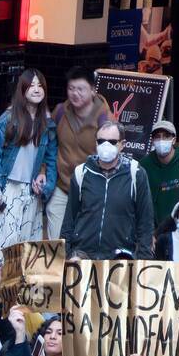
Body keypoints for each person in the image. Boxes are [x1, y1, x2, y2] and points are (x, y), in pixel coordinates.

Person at [0, 69, 57, 272]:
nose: (37, 90)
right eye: (32, 85)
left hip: (30, 189)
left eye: (41, 86)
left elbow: (51, 159)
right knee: (1, 237)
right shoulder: (7, 119)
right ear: (22, 89)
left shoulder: (47, 124)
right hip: (7, 186)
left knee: (25, 237)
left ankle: (17, 282)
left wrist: (46, 181)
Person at [62, 119, 154, 259]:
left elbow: (145, 222)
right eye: (100, 141)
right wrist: (65, 255)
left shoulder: (136, 173)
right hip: (83, 255)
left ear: (122, 145)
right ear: (95, 143)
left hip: (120, 259)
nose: (105, 145)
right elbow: (69, 219)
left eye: (111, 142)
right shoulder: (81, 172)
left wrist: (143, 262)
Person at [48, 66, 113, 238]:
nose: (75, 93)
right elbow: (47, 144)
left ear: (92, 91)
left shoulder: (105, 119)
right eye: (71, 88)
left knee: (84, 241)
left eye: (80, 89)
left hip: (90, 190)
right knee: (56, 241)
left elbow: (112, 157)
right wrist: (43, 172)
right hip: (61, 187)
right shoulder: (61, 111)